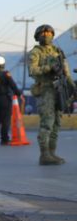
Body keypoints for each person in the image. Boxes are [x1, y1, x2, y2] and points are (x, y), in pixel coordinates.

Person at [28, 24, 75, 165]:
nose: (47, 35)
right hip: (45, 90)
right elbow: (32, 70)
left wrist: (73, 88)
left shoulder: (58, 51)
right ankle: (44, 155)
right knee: (47, 123)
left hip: (59, 90)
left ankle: (52, 153)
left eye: (49, 32)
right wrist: (49, 68)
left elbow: (66, 73)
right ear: (38, 36)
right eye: (43, 33)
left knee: (56, 123)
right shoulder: (36, 52)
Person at [0, 55, 22, 146]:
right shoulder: (5, 74)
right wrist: (19, 94)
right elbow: (13, 85)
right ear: (3, 65)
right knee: (5, 120)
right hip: (4, 99)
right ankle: (4, 139)